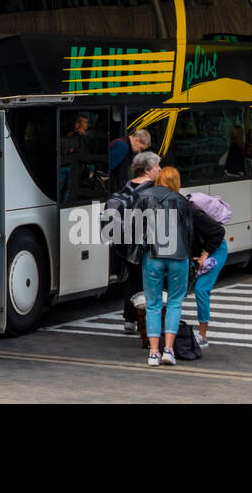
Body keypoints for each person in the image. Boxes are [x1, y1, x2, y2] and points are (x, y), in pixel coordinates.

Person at [136, 165, 193, 367]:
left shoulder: (144, 196)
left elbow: (136, 227)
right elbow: (189, 231)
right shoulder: (182, 201)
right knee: (175, 302)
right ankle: (169, 350)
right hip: (179, 255)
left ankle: (153, 352)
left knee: (153, 303)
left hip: (153, 255)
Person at [104, 149, 160, 333]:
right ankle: (146, 321)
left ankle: (129, 319)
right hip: (144, 242)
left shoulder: (126, 186)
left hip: (125, 242)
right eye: (157, 166)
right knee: (148, 280)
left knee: (133, 278)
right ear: (147, 170)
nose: (159, 169)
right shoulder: (151, 190)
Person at [187, 190, 228, 349]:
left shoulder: (192, 213)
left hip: (215, 251)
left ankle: (203, 335)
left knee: (201, 289)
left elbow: (218, 232)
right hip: (196, 254)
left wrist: (205, 254)